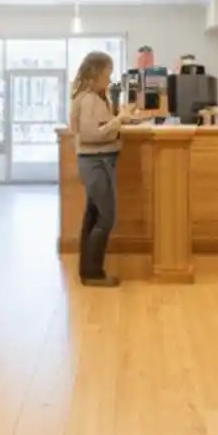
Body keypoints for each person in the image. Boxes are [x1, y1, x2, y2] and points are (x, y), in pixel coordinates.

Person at [69, 51, 137, 287]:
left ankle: (88, 270)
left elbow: (100, 127)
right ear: (96, 73)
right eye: (107, 73)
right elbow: (90, 134)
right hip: (95, 162)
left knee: (94, 216)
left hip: (98, 161)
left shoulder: (95, 97)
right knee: (106, 217)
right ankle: (93, 273)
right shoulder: (88, 99)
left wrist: (119, 118)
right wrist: (119, 121)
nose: (109, 78)